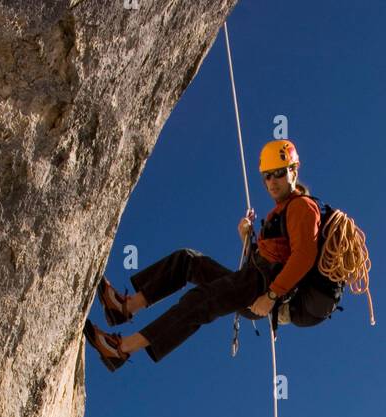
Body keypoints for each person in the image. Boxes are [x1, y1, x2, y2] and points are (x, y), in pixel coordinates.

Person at [83, 140, 321, 370]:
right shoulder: (281, 210)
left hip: (262, 288)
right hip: (254, 281)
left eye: (278, 173)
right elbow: (271, 257)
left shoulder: (302, 206)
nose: (271, 182)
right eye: (266, 176)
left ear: (293, 170)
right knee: (187, 260)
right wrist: (246, 239)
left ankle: (122, 348)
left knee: (199, 301)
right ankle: (126, 307)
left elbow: (304, 257)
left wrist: (271, 295)